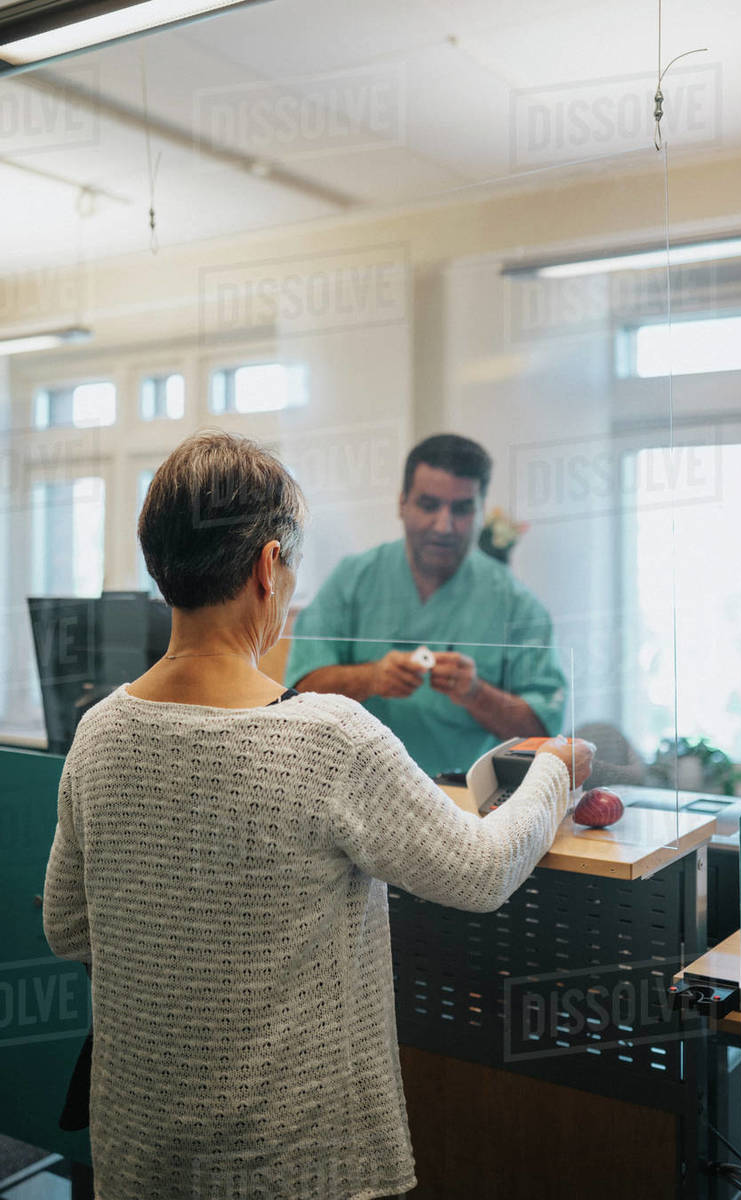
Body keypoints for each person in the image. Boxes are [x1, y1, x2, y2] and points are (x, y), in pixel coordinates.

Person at [42, 430, 594, 1200]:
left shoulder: (99, 731)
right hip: (299, 1164)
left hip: (142, 1154)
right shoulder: (326, 738)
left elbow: (67, 926)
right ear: (269, 568)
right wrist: (553, 773)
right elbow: (482, 869)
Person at [285, 433, 568, 778]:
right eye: (429, 505)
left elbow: (542, 732)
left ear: (480, 511)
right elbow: (299, 695)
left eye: (462, 508)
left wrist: (477, 694)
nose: (444, 525)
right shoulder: (352, 581)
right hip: (359, 790)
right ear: (402, 504)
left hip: (464, 802)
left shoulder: (516, 605)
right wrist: (370, 678)